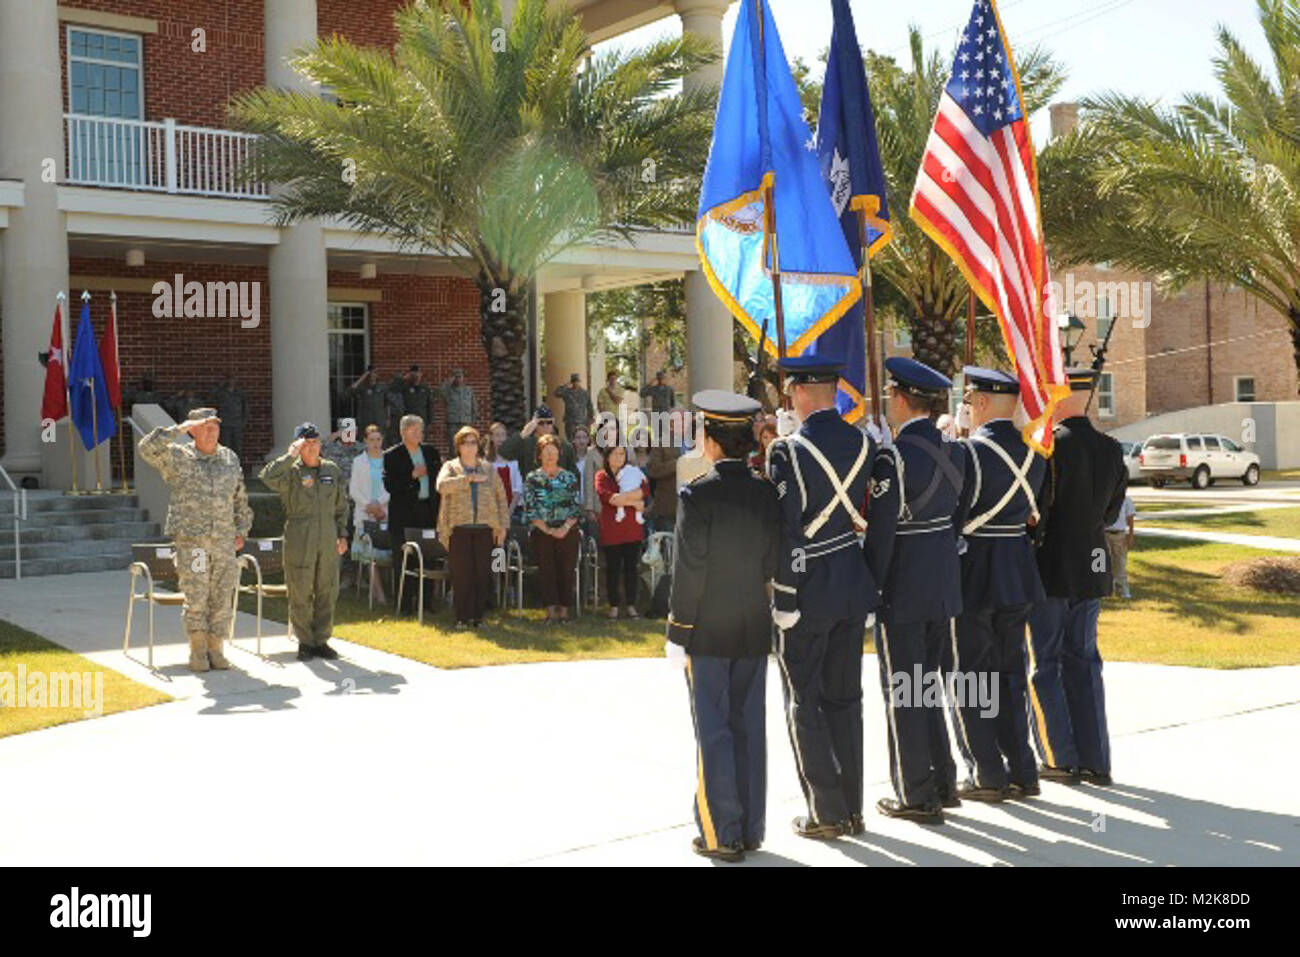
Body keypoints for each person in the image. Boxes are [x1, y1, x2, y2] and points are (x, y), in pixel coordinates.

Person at [768, 355, 883, 840]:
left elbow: (787, 531)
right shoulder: (865, 442)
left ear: (799, 392)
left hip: (810, 587)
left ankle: (826, 811)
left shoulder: (786, 452)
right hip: (850, 582)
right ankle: (852, 808)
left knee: (804, 700)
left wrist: (786, 596)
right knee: (846, 699)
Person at [666, 390, 781, 862]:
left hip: (709, 630)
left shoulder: (697, 495)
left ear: (710, 441)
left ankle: (721, 832)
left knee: (713, 730)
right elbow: (774, 559)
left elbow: (689, 569)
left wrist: (678, 630)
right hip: (753, 624)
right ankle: (750, 827)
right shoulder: (766, 491)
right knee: (749, 727)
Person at [864, 357, 968, 824]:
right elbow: (958, 518)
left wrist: (870, 586)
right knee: (929, 687)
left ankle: (915, 793)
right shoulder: (957, 452)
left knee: (905, 691)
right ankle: (943, 782)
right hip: (943, 583)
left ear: (902, 399)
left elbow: (882, 533)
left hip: (903, 588)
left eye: (890, 394)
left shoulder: (893, 457)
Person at [949, 367, 1047, 801]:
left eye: (970, 402)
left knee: (971, 676)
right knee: (1010, 673)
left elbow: (957, 516)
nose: (968, 409)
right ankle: (1023, 768)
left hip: (977, 572)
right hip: (1017, 571)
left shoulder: (968, 453)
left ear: (982, 403)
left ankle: (985, 770)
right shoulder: (1035, 455)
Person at [1028, 367, 1128, 786]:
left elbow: (1037, 513)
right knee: (1085, 662)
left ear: (1058, 394)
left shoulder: (1050, 449)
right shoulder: (1111, 448)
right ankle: (1096, 759)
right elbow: (1111, 513)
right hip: (1093, 567)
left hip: (1052, 570)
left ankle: (1059, 757)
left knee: (1047, 663)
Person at [137, 406, 252, 672]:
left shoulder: (229, 458)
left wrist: (241, 530)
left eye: (215, 426)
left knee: (223, 595)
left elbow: (240, 498)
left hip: (224, 543)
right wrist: (177, 429)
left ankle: (216, 647)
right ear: (193, 430)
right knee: (198, 594)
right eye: (206, 427)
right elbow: (147, 448)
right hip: (194, 544)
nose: (212, 432)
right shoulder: (178, 457)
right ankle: (198, 650)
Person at [259, 423, 349, 661]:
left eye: (315, 442)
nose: (312, 448)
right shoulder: (290, 472)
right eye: (306, 443)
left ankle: (322, 640)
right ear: (298, 445)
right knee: (300, 589)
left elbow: (341, 506)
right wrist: (290, 455)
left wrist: (343, 534)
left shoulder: (331, 470)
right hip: (300, 534)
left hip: (327, 534)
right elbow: (267, 477)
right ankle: (305, 642)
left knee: (327, 589)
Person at [436, 426, 509, 628]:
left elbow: (501, 498)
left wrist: (502, 526)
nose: (470, 447)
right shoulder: (451, 467)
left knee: (482, 574)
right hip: (459, 528)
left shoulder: (488, 469)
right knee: (462, 575)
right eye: (465, 443)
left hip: (485, 528)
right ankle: (462, 617)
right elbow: (441, 487)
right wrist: (467, 479)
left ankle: (477, 617)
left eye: (473, 442)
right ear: (458, 446)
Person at [383, 414, 442, 610]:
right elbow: (391, 486)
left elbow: (438, 480)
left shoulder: (431, 452)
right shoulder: (392, 455)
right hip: (404, 515)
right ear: (403, 432)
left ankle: (427, 603)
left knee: (428, 558)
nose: (418, 433)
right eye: (413, 430)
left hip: (427, 512)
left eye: (420, 429)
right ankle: (405, 604)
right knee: (406, 560)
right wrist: (412, 476)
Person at [524, 433, 582, 623]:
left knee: (566, 570)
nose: (550, 456)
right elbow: (530, 509)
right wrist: (547, 530)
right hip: (542, 533)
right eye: (546, 452)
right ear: (539, 455)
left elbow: (575, 506)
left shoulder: (569, 477)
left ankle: (564, 611)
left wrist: (564, 527)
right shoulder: (532, 478)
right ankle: (550, 611)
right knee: (546, 571)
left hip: (567, 531)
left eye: (553, 452)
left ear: (559, 454)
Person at [595, 444, 648, 619]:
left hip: (632, 529)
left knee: (631, 569)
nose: (619, 457)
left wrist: (627, 499)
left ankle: (631, 605)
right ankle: (614, 606)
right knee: (613, 569)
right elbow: (610, 498)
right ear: (607, 456)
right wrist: (633, 503)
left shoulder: (633, 472)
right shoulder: (602, 476)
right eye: (615, 454)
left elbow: (643, 491)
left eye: (622, 454)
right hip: (612, 530)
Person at [349, 424, 393, 606]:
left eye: (378, 439)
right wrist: (369, 505)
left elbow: (392, 487)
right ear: (365, 441)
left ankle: (386, 592)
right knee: (369, 555)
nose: (375, 443)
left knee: (384, 553)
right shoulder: (359, 462)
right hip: (365, 513)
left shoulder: (389, 460)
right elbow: (354, 489)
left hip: (384, 512)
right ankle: (379, 595)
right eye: (371, 440)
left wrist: (379, 504)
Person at [501, 405, 576, 474]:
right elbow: (504, 453)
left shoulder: (564, 446)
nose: (545, 426)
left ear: (553, 423)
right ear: (534, 424)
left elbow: (574, 474)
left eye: (549, 422)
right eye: (541, 423)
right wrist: (523, 434)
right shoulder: (526, 444)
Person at [483, 423, 524, 518]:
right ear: (491, 437)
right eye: (497, 435)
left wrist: (509, 512)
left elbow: (517, 488)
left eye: (503, 435)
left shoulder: (513, 461)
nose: (500, 438)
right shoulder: (485, 462)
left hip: (513, 510)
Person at [211, 375, 249, 463]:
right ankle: (225, 465)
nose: (231, 382)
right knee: (225, 446)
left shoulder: (240, 393)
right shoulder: (221, 392)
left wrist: (244, 421)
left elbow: (245, 408)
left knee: (237, 447)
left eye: (233, 380)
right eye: (230, 380)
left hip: (237, 423)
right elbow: (211, 399)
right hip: (225, 423)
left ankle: (238, 465)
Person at [570, 424, 602, 528]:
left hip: (591, 504)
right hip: (574, 504)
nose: (581, 441)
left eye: (584, 437)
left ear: (589, 440)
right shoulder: (570, 460)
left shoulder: (594, 457)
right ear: (573, 440)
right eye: (578, 437)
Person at [1106, 492, 1136, 599]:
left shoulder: (1126, 499)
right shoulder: (1103, 497)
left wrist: (1131, 535)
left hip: (1119, 535)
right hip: (1103, 534)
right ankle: (1101, 589)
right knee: (1099, 564)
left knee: (1120, 562)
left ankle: (1122, 589)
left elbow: (1130, 518)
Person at [439, 368, 478, 451]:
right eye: (456, 377)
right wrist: (449, 381)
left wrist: (473, 419)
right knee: (453, 445)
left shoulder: (468, 390)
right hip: (453, 422)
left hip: (466, 421)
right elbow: (440, 391)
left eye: (460, 377)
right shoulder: (449, 390)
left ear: (463, 378)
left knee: (466, 443)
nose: (458, 379)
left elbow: (473, 405)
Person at [349, 367, 388, 440]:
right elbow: (351, 390)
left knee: (380, 439)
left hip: (379, 418)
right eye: (371, 373)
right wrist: (364, 376)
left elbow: (387, 403)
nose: (372, 375)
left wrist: (387, 418)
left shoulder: (382, 387)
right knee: (365, 439)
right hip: (365, 419)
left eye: (374, 373)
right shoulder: (362, 387)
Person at [553, 372, 594, 442]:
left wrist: (590, 418)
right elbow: (556, 393)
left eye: (577, 381)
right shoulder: (567, 392)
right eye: (574, 381)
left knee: (581, 440)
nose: (576, 383)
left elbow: (589, 406)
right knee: (571, 440)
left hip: (581, 421)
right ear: (571, 382)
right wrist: (565, 385)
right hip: (570, 421)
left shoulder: (584, 393)